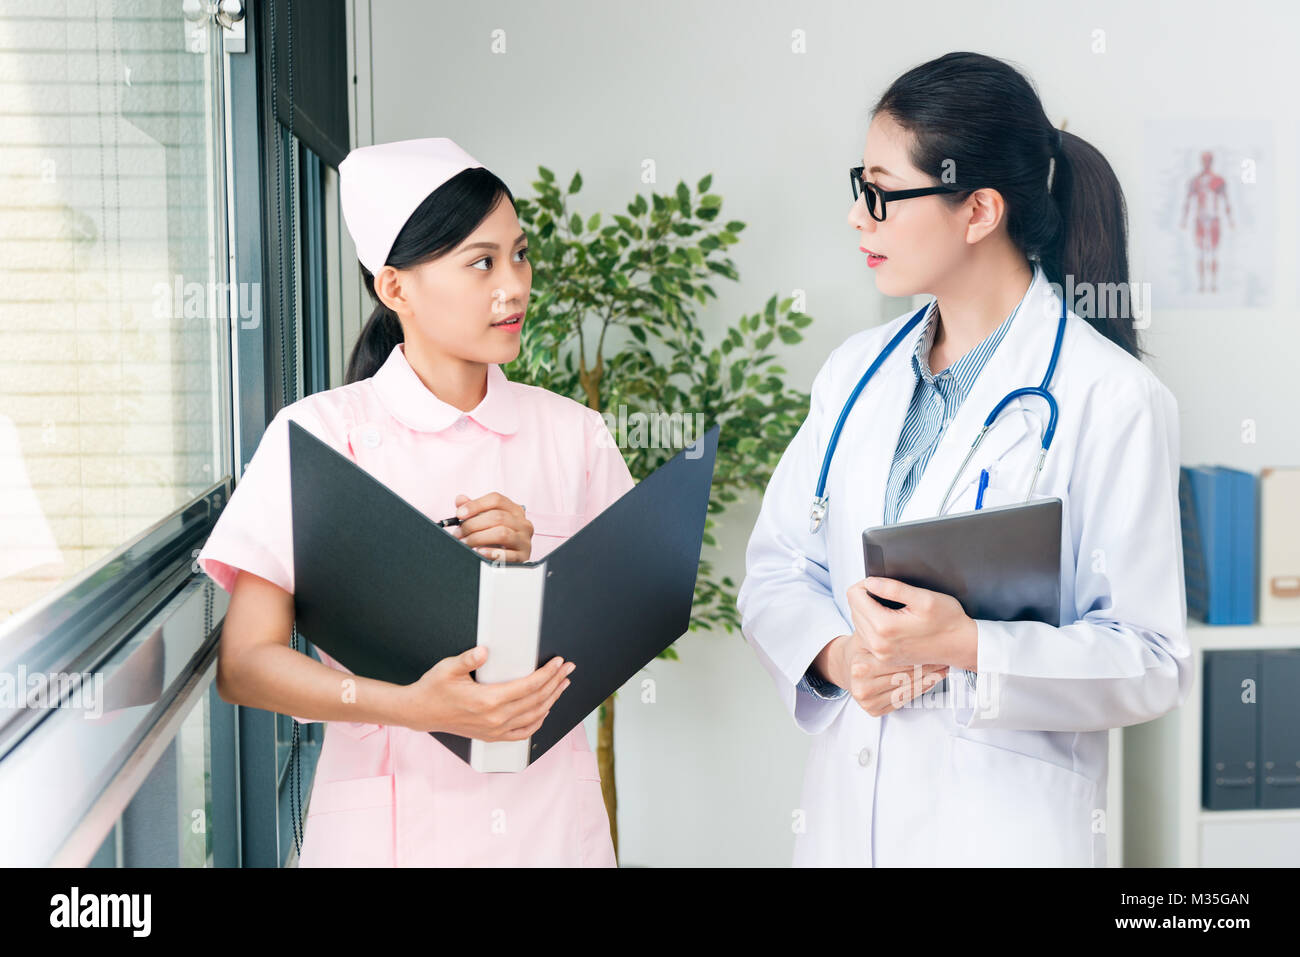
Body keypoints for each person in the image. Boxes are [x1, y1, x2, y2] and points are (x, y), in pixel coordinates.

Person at [736, 52, 1192, 867]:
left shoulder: (1109, 398)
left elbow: (1150, 662)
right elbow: (775, 571)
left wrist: (971, 645)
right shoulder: (854, 373)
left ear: (978, 209)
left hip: (1003, 836)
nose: (857, 216)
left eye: (881, 191)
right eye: (858, 184)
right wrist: (839, 658)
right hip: (845, 829)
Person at [197, 137, 632, 867]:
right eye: (481, 262)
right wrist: (412, 706)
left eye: (519, 254)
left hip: (549, 825)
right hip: (390, 829)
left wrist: (542, 567)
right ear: (395, 288)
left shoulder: (575, 435)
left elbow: (628, 620)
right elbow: (246, 664)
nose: (516, 285)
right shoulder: (320, 438)